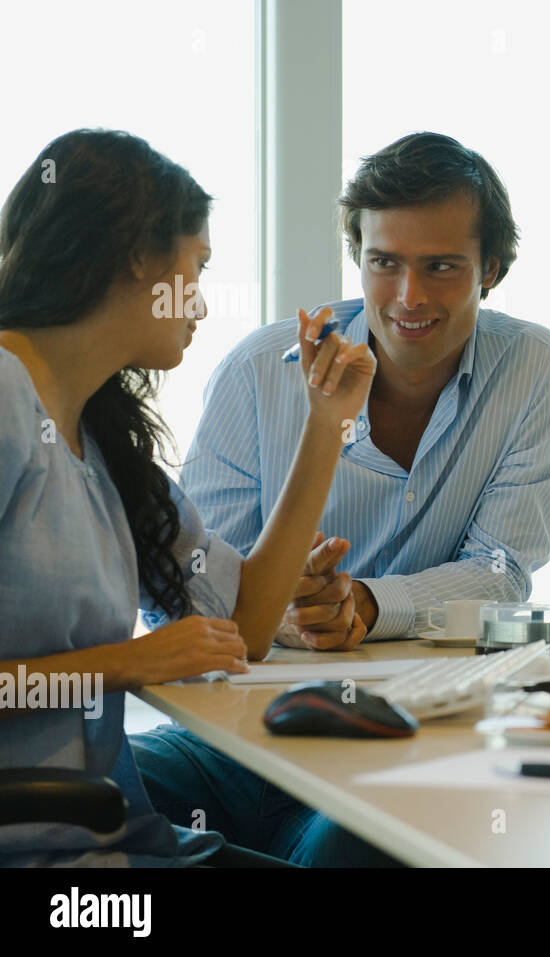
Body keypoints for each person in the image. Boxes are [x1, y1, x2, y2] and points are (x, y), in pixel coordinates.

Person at [130, 131, 550, 866]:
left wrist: (366, 605)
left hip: (398, 741)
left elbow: (502, 571)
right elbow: (187, 594)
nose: (409, 297)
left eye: (441, 267)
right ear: (360, 261)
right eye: (385, 263)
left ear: (490, 271)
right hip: (232, 734)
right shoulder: (260, 371)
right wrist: (283, 605)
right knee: (88, 792)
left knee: (364, 840)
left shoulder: (534, 370)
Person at [0, 129, 376, 866]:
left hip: (121, 844)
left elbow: (245, 622)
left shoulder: (99, 432)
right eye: (197, 266)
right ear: (140, 255)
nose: (200, 301)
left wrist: (326, 422)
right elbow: (138, 658)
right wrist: (125, 663)